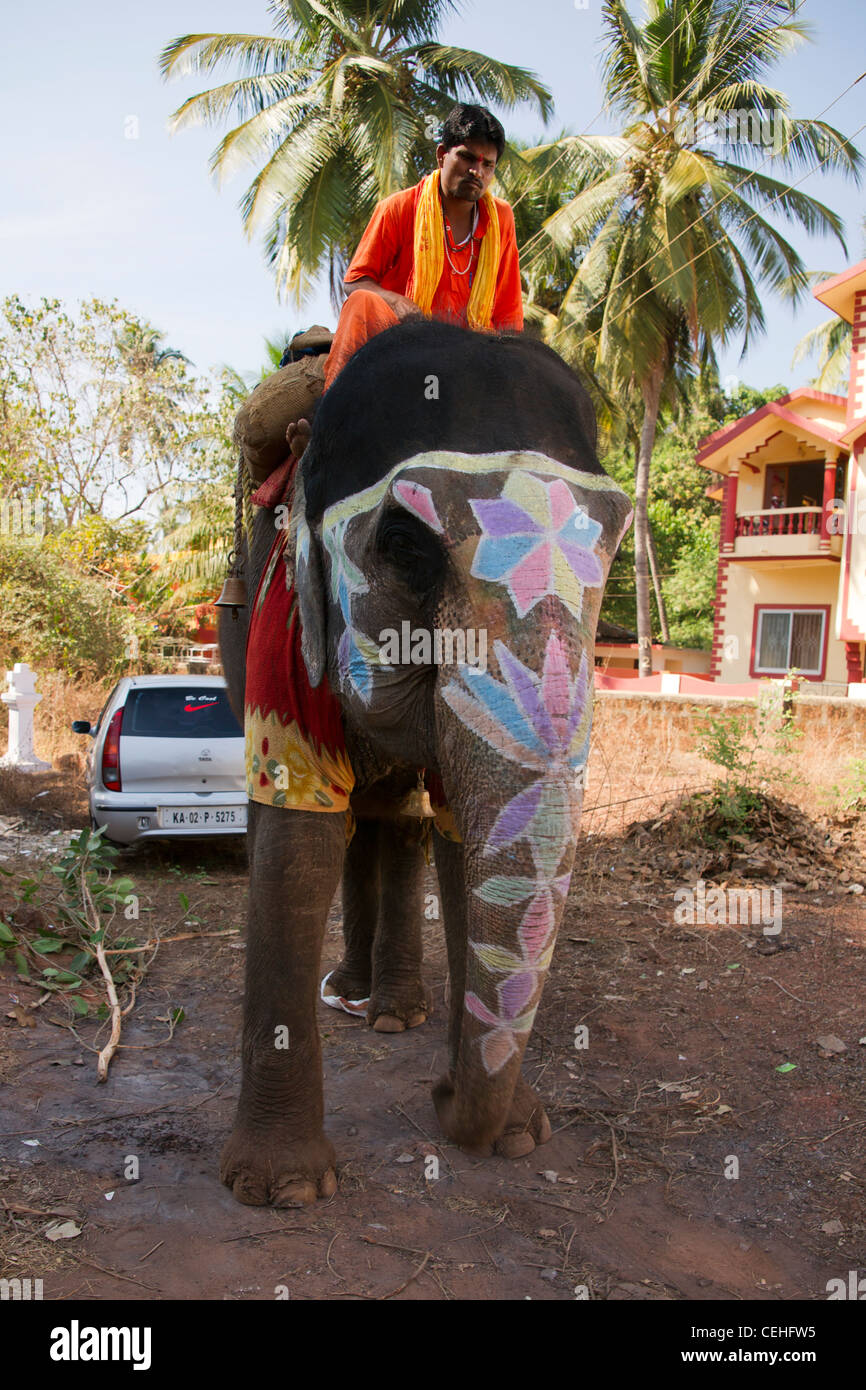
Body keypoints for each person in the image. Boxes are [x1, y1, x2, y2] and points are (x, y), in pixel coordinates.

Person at [287, 102, 523, 458]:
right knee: (363, 303)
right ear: (442, 154)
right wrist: (395, 301)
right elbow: (355, 282)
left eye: (487, 164)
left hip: (468, 356)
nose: (477, 171)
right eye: (467, 158)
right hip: (402, 347)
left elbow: (507, 314)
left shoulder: (501, 219)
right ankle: (327, 436)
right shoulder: (399, 208)